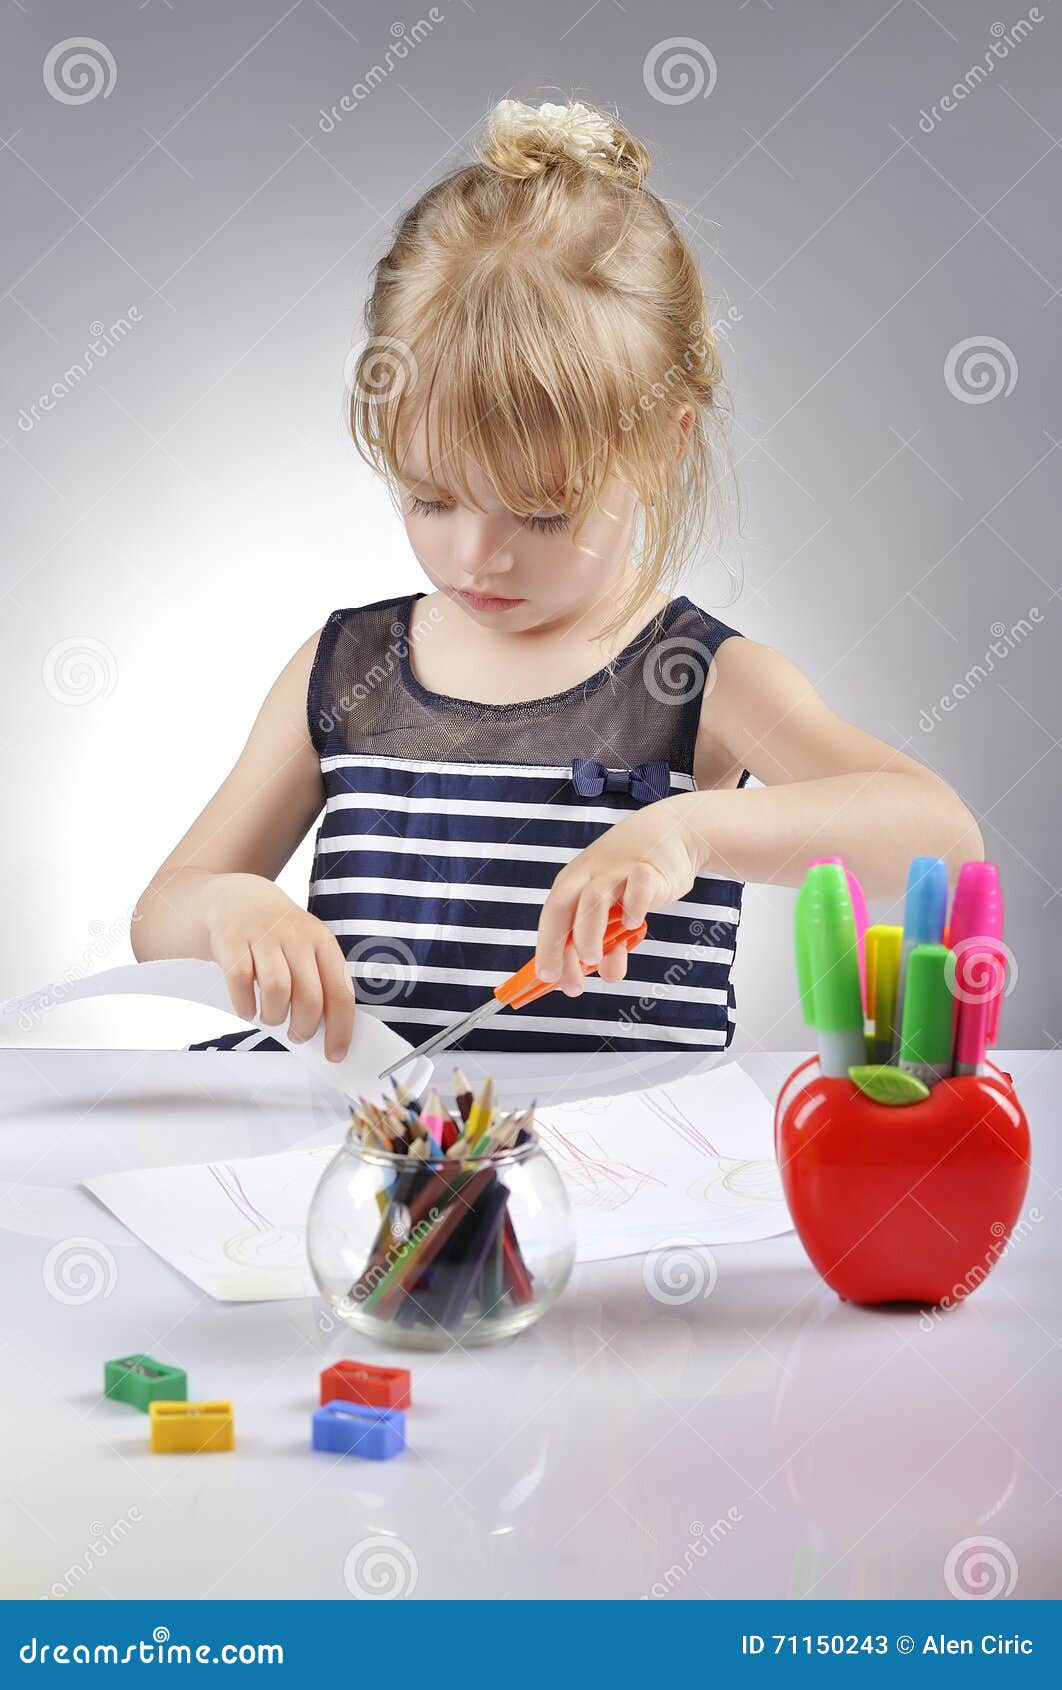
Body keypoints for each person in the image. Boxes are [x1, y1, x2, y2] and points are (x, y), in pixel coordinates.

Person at [131, 96, 982, 1063]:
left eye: (542, 513)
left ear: (664, 445)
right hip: (371, 1172)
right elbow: (162, 912)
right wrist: (229, 909)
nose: (476, 557)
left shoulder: (696, 681)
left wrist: (692, 835)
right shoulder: (345, 671)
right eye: (429, 498)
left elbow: (939, 838)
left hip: (609, 1186)